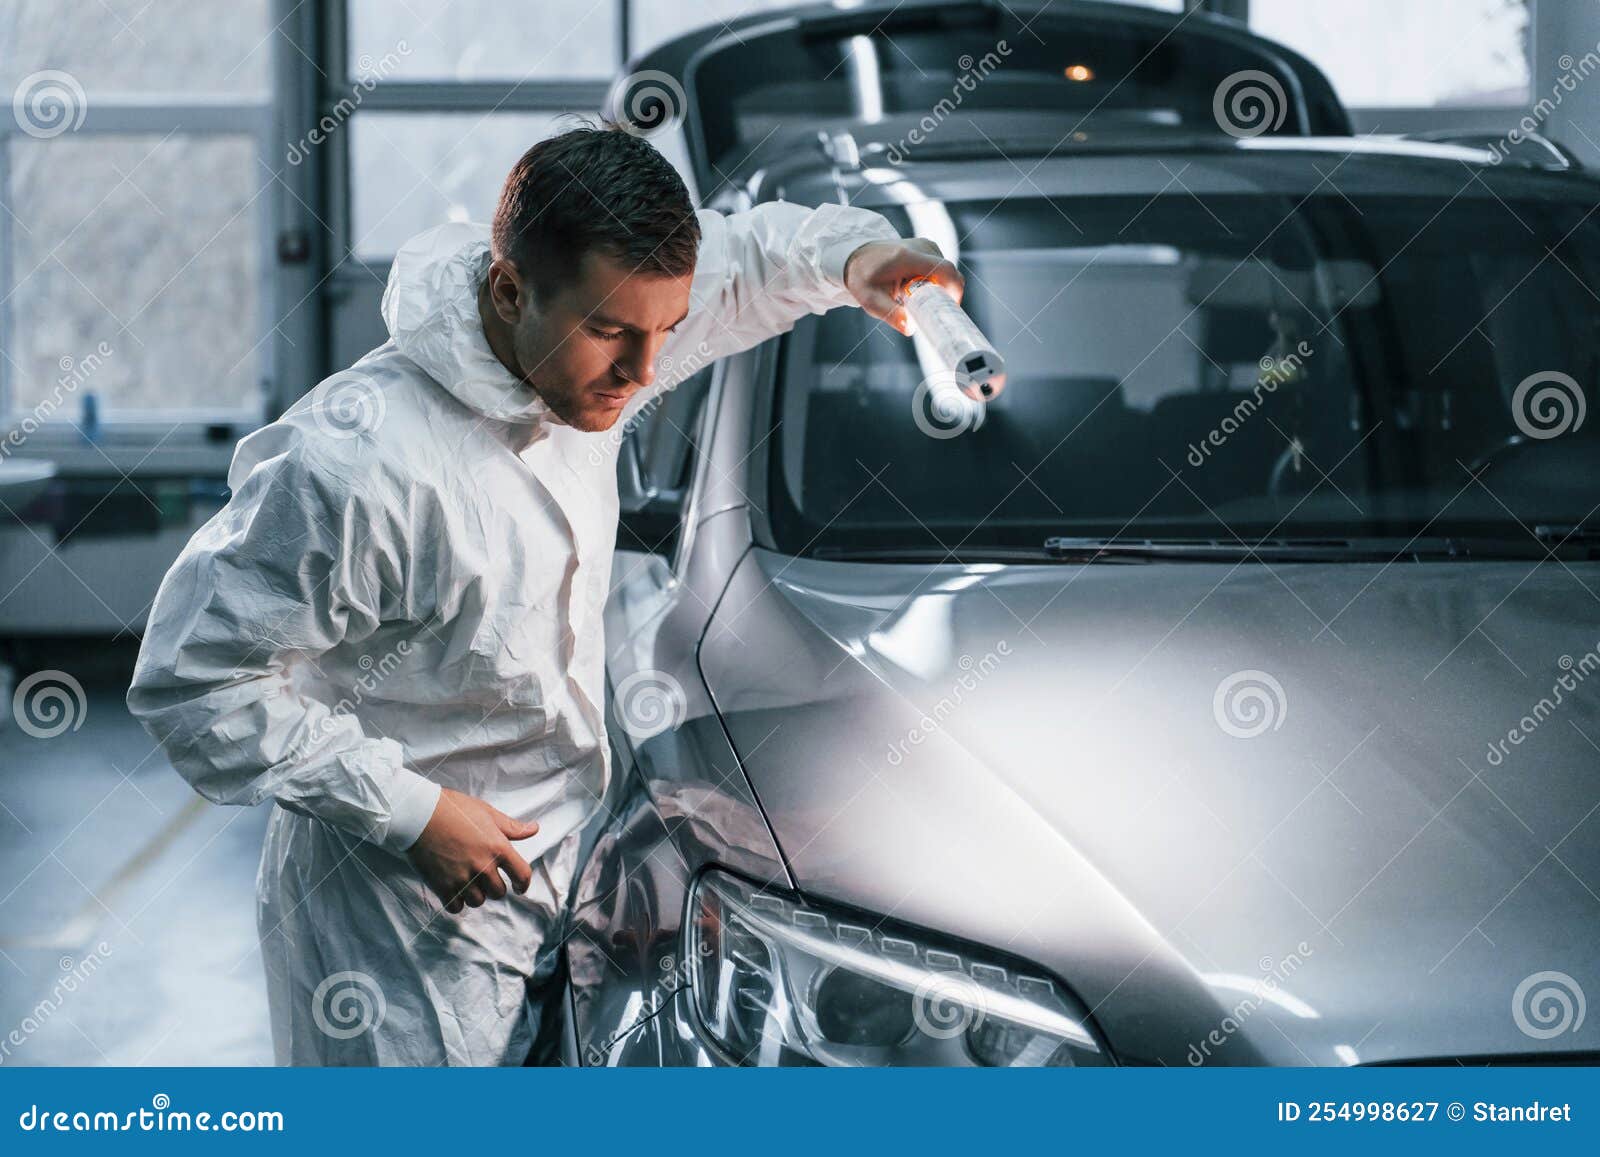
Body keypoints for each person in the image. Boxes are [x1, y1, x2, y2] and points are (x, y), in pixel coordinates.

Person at [126, 121, 962, 1066]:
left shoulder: (591, 354)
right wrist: (410, 811)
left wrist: (858, 257)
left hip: (559, 890)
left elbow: (749, 258)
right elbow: (192, 682)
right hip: (396, 928)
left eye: (666, 331)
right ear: (510, 288)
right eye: (611, 332)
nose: (644, 373)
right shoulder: (357, 463)